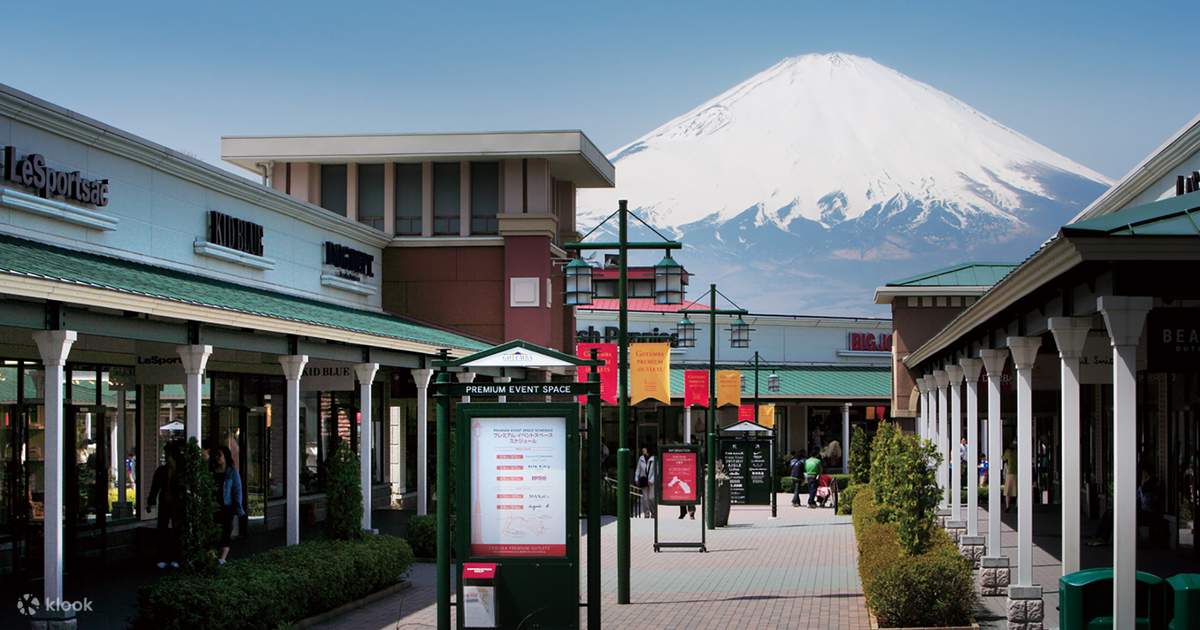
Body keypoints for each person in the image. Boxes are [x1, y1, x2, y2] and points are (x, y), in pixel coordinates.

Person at [147, 441, 182, 569]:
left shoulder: (181, 471)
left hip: (177, 504)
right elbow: (155, 487)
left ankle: (176, 557)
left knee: (177, 530)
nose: (166, 456)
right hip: (165, 503)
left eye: (168, 454)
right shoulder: (161, 470)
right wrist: (151, 502)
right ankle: (162, 557)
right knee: (162, 528)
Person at [210, 444, 245, 565]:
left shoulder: (232, 472)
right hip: (213, 505)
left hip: (226, 506)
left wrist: (238, 508)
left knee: (226, 530)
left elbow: (237, 490)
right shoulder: (212, 472)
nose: (217, 457)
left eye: (220, 455)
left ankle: (222, 558)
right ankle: (213, 554)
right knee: (212, 530)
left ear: (226, 456)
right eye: (216, 455)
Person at [635, 446, 656, 519]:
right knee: (645, 498)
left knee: (651, 497)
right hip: (644, 480)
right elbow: (638, 469)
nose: (642, 450)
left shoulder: (654, 459)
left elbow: (657, 471)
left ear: (648, 450)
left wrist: (652, 480)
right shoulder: (641, 458)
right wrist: (636, 478)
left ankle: (653, 512)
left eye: (644, 448)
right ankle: (646, 513)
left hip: (651, 481)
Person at [1002, 440, 1017, 512]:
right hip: (1019, 473)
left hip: (1010, 473)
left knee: (1008, 492)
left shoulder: (1008, 451)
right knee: (1018, 491)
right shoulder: (1019, 450)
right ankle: (1017, 506)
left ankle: (1008, 506)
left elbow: (1003, 458)